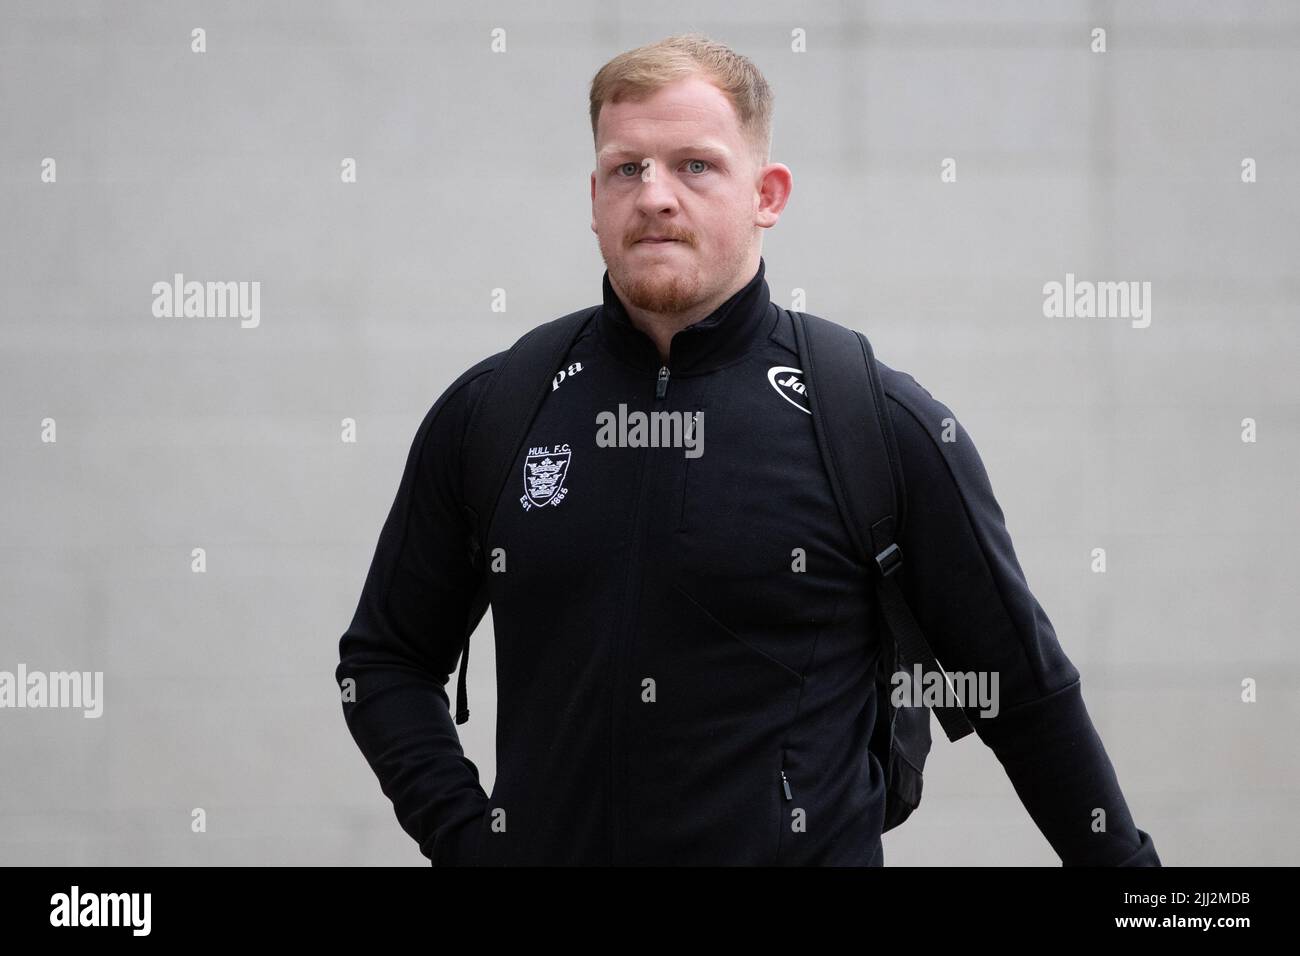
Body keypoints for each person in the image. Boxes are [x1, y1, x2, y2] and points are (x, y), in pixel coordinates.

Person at [335, 33, 1161, 867]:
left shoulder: (871, 421)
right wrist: (472, 844)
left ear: (767, 193)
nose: (655, 195)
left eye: (695, 165)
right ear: (593, 198)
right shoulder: (498, 409)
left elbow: (1021, 693)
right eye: (628, 169)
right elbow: (384, 661)